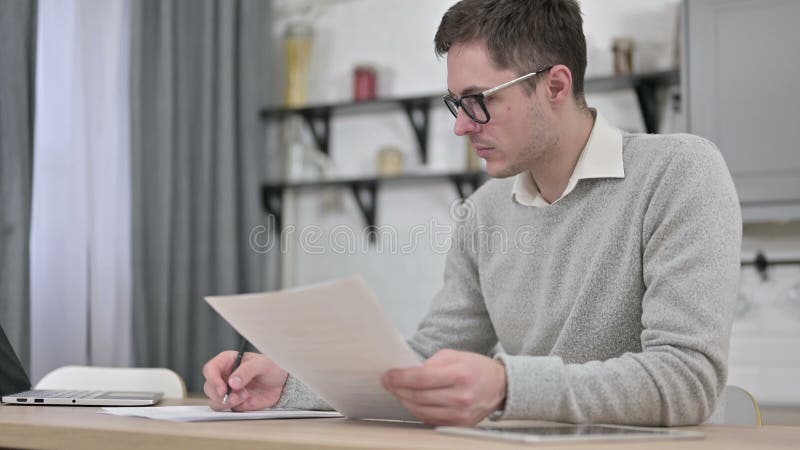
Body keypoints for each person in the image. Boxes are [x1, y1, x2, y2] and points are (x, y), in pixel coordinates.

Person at [203, 0, 741, 427]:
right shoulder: (483, 213)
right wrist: (291, 384)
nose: (462, 126)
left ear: (555, 85)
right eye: (456, 104)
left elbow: (686, 379)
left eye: (478, 100)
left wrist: (506, 387)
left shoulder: (679, 172)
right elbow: (425, 362)